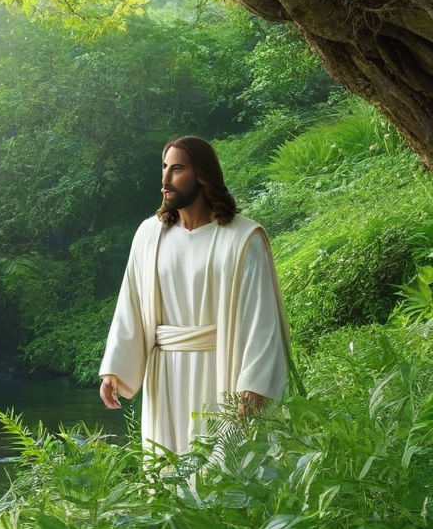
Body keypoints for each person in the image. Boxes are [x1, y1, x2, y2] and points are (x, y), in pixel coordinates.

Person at [99, 136, 290, 453]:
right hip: (165, 375)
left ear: (202, 175)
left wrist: (254, 385)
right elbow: (130, 303)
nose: (165, 179)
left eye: (176, 169)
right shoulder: (149, 235)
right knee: (167, 467)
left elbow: (262, 317)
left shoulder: (242, 238)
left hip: (220, 369)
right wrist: (115, 369)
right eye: (164, 167)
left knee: (221, 465)